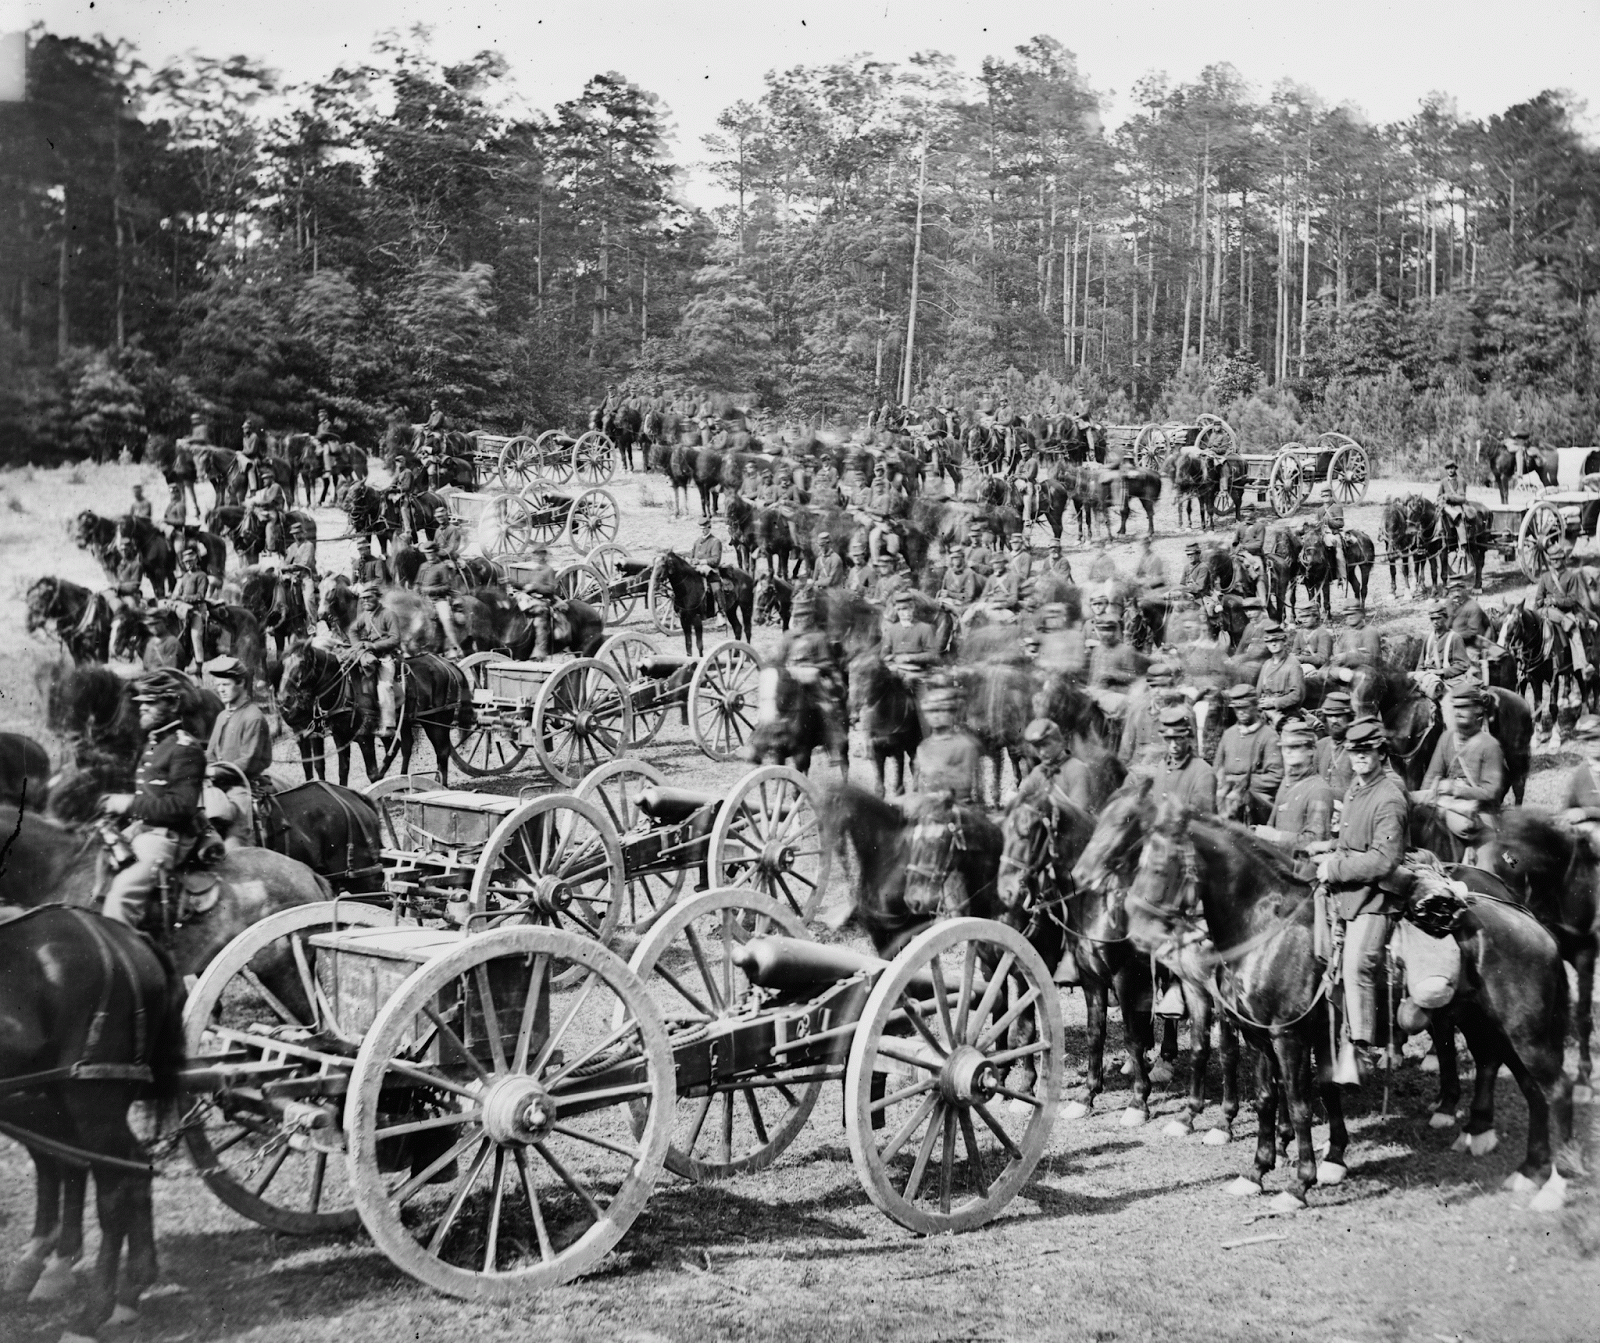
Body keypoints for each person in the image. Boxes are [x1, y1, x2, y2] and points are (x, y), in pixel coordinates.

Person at [1313, 717, 1410, 1079]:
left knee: (1356, 963)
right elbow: (1346, 841)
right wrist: (1328, 856)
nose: (1359, 759)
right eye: (1354, 753)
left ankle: (1362, 1046)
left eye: (1367, 752)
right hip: (1349, 886)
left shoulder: (1389, 796)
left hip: (1378, 896)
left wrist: (1336, 870)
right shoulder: (1356, 787)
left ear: (1381, 753)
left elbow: (1384, 860)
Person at [97, 673, 208, 927]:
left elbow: (180, 807)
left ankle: (122, 962)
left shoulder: (185, 747)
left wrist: (127, 804)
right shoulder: (154, 742)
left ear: (173, 705)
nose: (142, 707)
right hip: (143, 830)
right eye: (141, 702)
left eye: (152, 702)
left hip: (167, 837)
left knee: (121, 895)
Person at [1420, 685, 1508, 852]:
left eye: (1464, 707)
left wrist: (1455, 789)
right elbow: (1431, 777)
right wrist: (1427, 796)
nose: (1458, 712)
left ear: (1478, 710)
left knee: (1503, 862)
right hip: (1445, 808)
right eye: (1456, 707)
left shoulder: (1490, 745)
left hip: (1480, 816)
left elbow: (1491, 792)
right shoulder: (1446, 738)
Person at [203, 656, 273, 849]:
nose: (220, 689)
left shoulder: (253, 717)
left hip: (242, 787)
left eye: (225, 684)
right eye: (218, 685)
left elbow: (248, 761)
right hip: (217, 786)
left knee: (235, 846)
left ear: (241, 683)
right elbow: (210, 753)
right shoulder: (222, 716)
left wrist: (214, 772)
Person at [1257, 720, 1335, 854]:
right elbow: (1271, 825)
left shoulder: (1318, 791)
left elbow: (1316, 841)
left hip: (1301, 868)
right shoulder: (1287, 781)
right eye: (1284, 747)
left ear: (1311, 750)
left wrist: (1275, 836)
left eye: (1295, 747)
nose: (1287, 752)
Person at [1213, 684, 1283, 824]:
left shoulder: (1269, 736)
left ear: (1255, 706)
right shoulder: (1229, 734)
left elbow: (1275, 776)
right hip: (1227, 794)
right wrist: (1221, 782)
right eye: (1237, 708)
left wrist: (1239, 782)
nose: (1241, 712)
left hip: (1257, 798)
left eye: (1245, 707)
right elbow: (1217, 768)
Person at [913, 682, 982, 807]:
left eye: (942, 711)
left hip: (956, 807)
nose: (936, 716)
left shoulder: (964, 745)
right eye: (931, 712)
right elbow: (919, 782)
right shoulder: (924, 745)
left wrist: (937, 774)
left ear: (953, 713)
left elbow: (966, 783)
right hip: (927, 806)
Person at [346, 584, 401, 738]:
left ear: (377, 597)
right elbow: (352, 630)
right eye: (363, 598)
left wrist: (374, 645)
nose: (365, 601)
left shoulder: (388, 614)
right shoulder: (366, 615)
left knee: (384, 687)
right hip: (370, 655)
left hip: (387, 656)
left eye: (369, 597)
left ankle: (389, 725)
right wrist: (357, 646)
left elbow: (395, 639)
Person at [1533, 541, 1593, 671]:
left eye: (1557, 559)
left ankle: (1583, 665)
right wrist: (1539, 603)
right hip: (1546, 613)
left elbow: (1572, 600)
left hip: (1565, 613)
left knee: (1574, 631)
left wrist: (1555, 601)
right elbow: (1538, 598)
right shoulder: (1545, 577)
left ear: (1563, 559)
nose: (1554, 562)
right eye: (1552, 559)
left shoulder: (1570, 577)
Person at [1017, 717, 1093, 813]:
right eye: (1037, 747)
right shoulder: (1038, 772)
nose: (1042, 752)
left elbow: (1078, 814)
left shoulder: (1077, 769)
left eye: (1046, 745)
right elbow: (1018, 802)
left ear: (1059, 742)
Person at [1149, 704, 1217, 811]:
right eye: (1168, 739)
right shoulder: (1162, 766)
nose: (1173, 745)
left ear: (1188, 738)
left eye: (1178, 739)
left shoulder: (1203, 772)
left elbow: (1204, 820)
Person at [1119, 659, 1180, 770]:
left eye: (1162, 686)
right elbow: (1125, 753)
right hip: (1138, 773)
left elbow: (1190, 757)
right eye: (1153, 686)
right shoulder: (1137, 712)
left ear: (1172, 687)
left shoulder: (1182, 714)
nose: (1157, 691)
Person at [1413, 600, 1473, 700]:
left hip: (1447, 681)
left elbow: (1463, 664)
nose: (1435, 622)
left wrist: (1441, 672)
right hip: (1428, 679)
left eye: (1438, 618)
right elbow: (1421, 663)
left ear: (1445, 618)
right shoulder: (1429, 638)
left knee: (1447, 704)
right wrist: (1418, 677)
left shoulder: (1454, 638)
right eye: (1432, 619)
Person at [509, 544, 559, 658]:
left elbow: (551, 588)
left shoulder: (549, 570)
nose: (536, 557)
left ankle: (540, 651)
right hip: (531, 599)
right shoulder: (535, 570)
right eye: (535, 554)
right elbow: (524, 585)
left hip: (544, 600)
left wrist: (535, 587)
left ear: (544, 556)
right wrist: (512, 582)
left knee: (539, 621)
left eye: (538, 554)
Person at [1558, 714, 1600, 844]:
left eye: (1596, 738)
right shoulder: (1581, 773)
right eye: (1587, 740)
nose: (1592, 744)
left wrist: (1586, 812)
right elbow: (1566, 807)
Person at [881, 590, 938, 686]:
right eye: (899, 610)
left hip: (917, 673)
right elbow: (883, 655)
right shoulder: (892, 630)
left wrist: (908, 657)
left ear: (913, 609)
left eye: (906, 609)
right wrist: (890, 658)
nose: (903, 614)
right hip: (895, 671)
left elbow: (933, 655)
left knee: (921, 697)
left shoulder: (925, 628)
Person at [1256, 620, 1306, 724]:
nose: (1273, 644)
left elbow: (1297, 695)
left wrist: (1274, 702)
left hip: (1288, 714)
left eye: (1277, 640)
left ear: (1284, 641)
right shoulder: (1267, 664)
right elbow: (1258, 692)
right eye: (1269, 641)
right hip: (1266, 712)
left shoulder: (1293, 664)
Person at [1315, 691, 1356, 800]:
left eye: (1338, 716)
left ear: (1349, 717)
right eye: (1330, 716)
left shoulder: (1357, 747)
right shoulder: (1321, 745)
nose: (1333, 720)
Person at [282, 519, 319, 629]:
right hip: (291, 577)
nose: (296, 536)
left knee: (308, 599)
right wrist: (283, 568)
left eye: (298, 533)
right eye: (294, 534)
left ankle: (312, 625)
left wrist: (290, 568)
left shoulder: (309, 546)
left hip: (305, 577)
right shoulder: (292, 547)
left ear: (303, 533)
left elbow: (305, 563)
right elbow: (285, 561)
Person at [246, 459, 287, 555]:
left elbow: (269, 501)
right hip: (266, 510)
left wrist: (257, 502)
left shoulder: (275, 487)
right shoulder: (267, 489)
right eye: (263, 479)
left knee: (270, 525)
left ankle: (270, 548)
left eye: (265, 479)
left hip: (275, 511)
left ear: (271, 479)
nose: (263, 481)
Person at [1231, 505, 1269, 607]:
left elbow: (1259, 544)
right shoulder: (1240, 526)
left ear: (1254, 512)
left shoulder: (1259, 526)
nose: (1246, 515)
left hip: (1255, 554)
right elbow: (1235, 542)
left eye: (1248, 512)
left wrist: (1244, 547)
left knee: (1258, 570)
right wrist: (1234, 549)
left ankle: (1263, 600)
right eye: (1244, 512)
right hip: (1241, 554)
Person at [1437, 460, 1470, 566]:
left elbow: (1462, 498)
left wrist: (1449, 497)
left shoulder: (1461, 480)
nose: (1450, 470)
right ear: (1446, 470)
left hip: (1457, 506)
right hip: (1445, 506)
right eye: (1448, 468)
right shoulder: (1443, 482)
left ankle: (1463, 545)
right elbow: (1438, 496)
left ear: (1455, 469)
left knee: (1458, 519)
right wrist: (1441, 499)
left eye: (1452, 468)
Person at [690, 516, 724, 613]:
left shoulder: (715, 541)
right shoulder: (697, 541)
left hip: (710, 570)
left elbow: (716, 560)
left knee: (716, 588)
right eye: (701, 529)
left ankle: (721, 612)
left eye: (704, 528)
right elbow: (692, 556)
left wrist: (701, 562)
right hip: (696, 570)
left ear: (709, 527)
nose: (702, 531)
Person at [936, 546, 979, 618]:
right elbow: (943, 589)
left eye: (957, 558)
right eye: (953, 558)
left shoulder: (969, 573)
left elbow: (969, 596)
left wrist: (950, 594)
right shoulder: (949, 572)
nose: (955, 560)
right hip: (947, 601)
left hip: (962, 604)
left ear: (962, 558)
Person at [1291, 605, 1333, 674]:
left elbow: (1323, 659)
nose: (1304, 620)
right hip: (1302, 665)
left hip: (1319, 669)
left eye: (1307, 616)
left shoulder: (1323, 634)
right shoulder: (1300, 633)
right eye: (1302, 617)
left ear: (1315, 616)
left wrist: (1301, 658)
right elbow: (1295, 652)